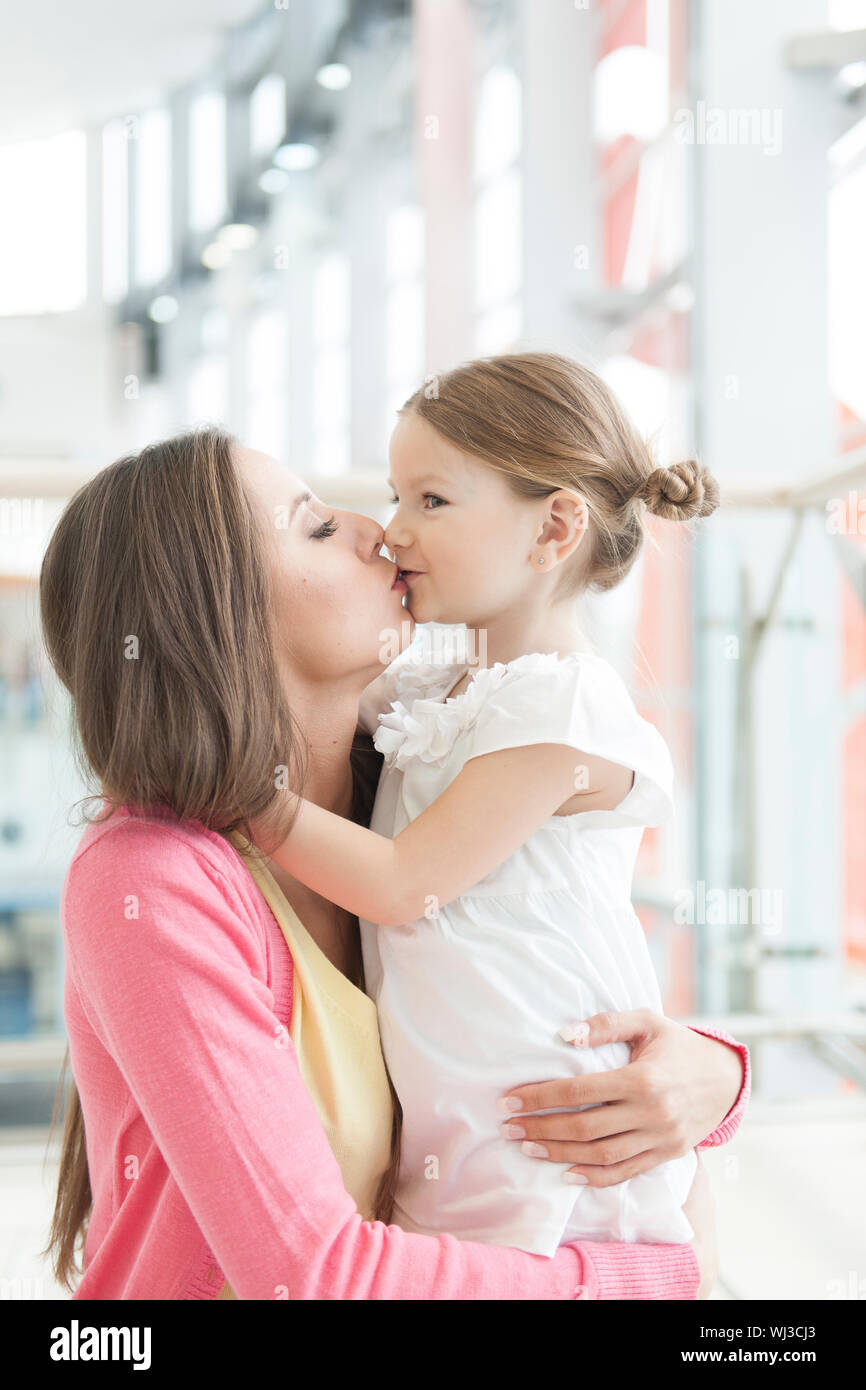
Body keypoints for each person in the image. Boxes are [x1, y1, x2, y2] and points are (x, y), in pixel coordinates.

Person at [40, 423, 749, 1299]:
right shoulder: (150, 876)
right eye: (315, 527)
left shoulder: (409, 788)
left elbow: (559, 993)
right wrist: (645, 1280)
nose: (379, 530)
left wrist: (711, 1077)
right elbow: (317, 1277)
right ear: (215, 618)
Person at [251, 352, 725, 1256]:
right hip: (463, 1132)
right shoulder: (440, 689)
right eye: (395, 496)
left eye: (431, 502)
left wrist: (247, 800)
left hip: (559, 1139)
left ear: (553, 529)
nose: (392, 531)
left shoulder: (561, 707)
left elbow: (400, 884)